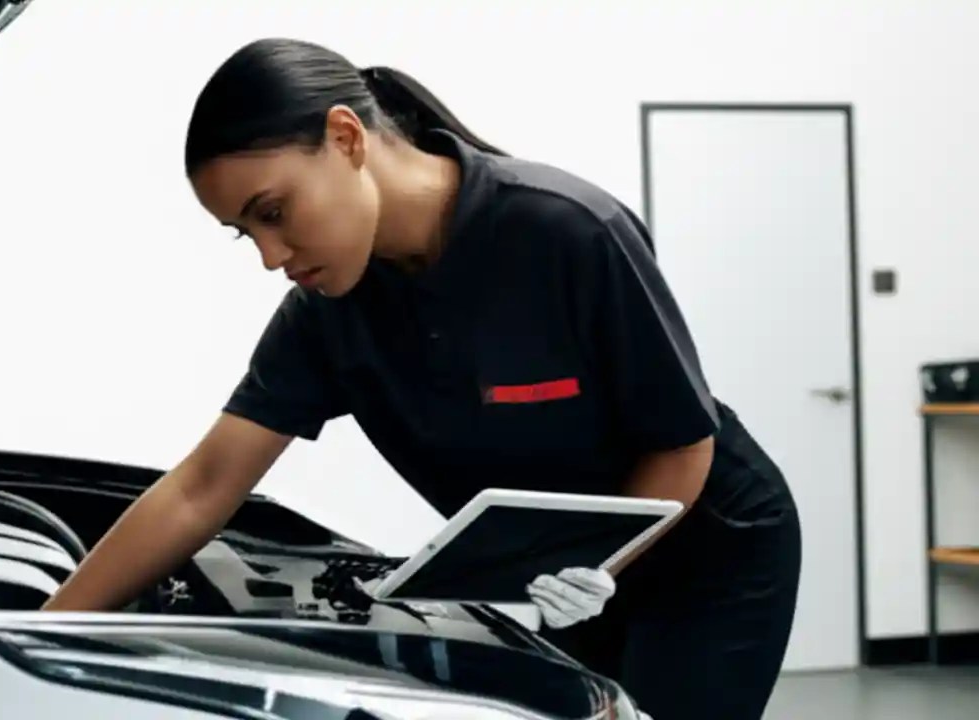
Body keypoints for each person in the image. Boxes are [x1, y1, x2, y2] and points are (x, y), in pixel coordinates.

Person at [42, 37, 803, 719]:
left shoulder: (565, 231)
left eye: (274, 211)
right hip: (548, 580)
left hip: (707, 551)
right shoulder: (328, 313)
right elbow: (202, 485)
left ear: (345, 139)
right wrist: (39, 637)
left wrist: (590, 569)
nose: (271, 256)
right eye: (249, 233)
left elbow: (681, 445)